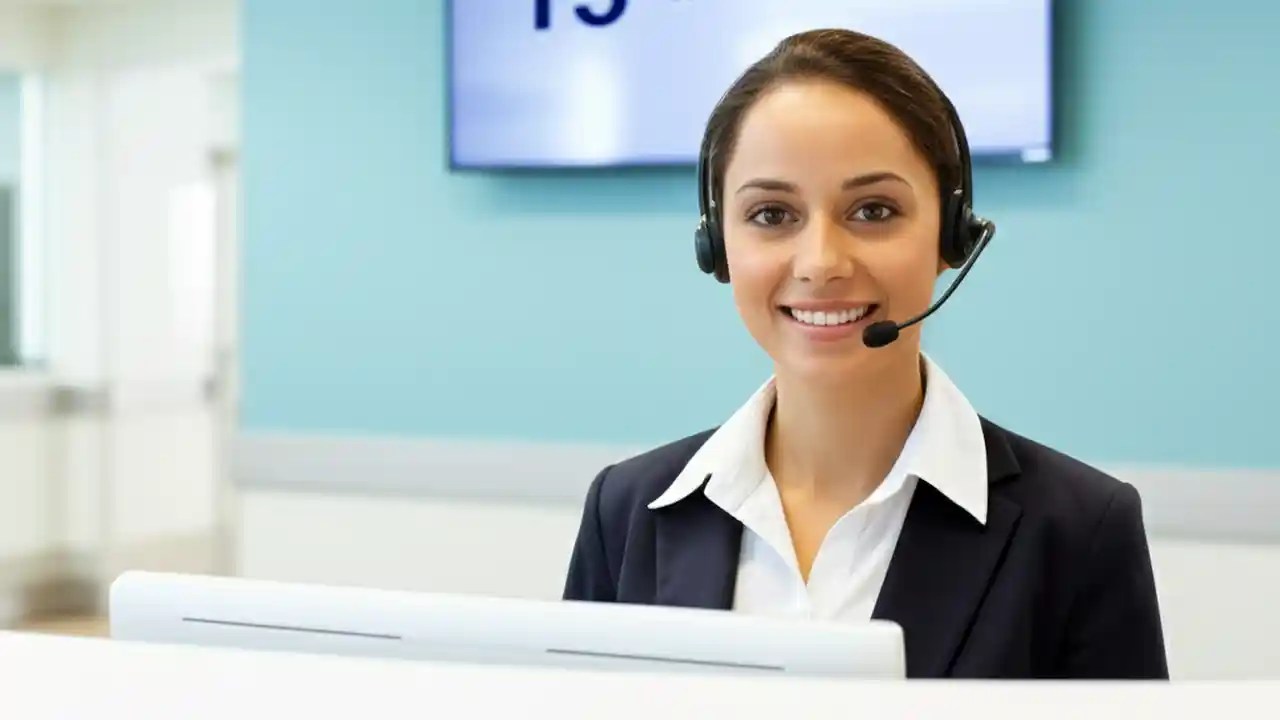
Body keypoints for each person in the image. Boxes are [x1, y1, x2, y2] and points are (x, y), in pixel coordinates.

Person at [562, 28, 1168, 679]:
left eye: (873, 210)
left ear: (952, 236)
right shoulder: (626, 512)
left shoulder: (1079, 531)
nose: (820, 262)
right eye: (772, 214)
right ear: (717, 245)